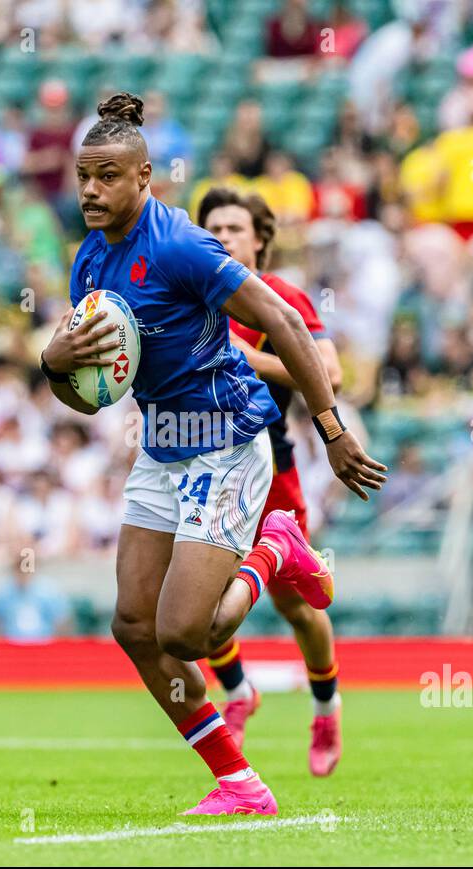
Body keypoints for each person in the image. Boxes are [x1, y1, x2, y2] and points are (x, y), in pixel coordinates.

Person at [40, 93, 387, 815]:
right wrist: (54, 362)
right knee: (133, 627)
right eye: (82, 177)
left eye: (106, 177)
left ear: (144, 179)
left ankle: (276, 549)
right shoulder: (89, 259)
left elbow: (284, 319)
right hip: (161, 449)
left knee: (189, 633)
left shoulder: (181, 245)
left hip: (226, 443)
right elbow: (91, 395)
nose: (90, 191)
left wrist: (332, 429)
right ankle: (240, 783)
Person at [196, 187, 345, 776]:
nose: (226, 238)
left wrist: (242, 355)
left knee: (297, 605)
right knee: (190, 604)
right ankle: (237, 690)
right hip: (200, 469)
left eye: (236, 228)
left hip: (269, 469)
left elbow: (328, 372)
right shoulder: (194, 296)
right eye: (215, 229)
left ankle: (326, 704)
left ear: (260, 239)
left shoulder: (279, 298)